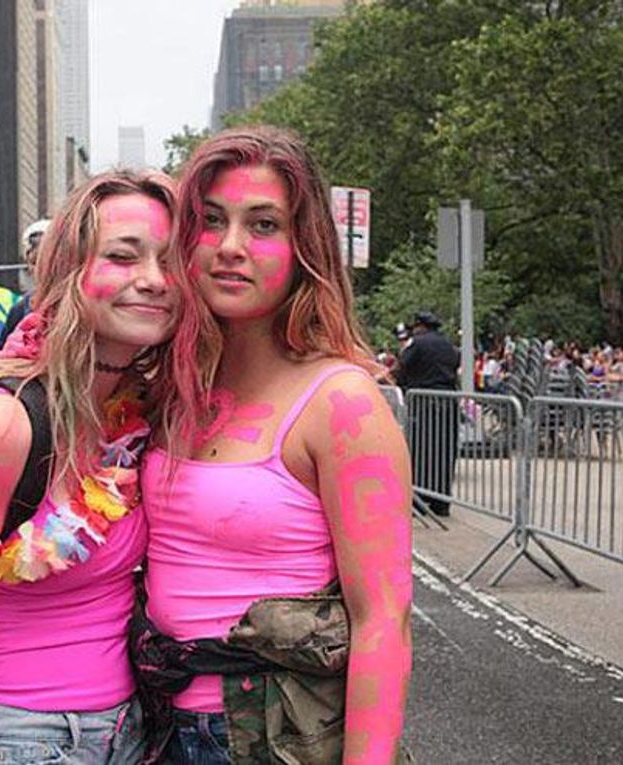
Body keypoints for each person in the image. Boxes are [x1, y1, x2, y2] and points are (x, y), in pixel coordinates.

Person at [0, 170, 201, 765]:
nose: (154, 280)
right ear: (68, 271)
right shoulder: (4, 423)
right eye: (122, 255)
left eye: (171, 261)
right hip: (19, 741)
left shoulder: (133, 411)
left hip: (128, 734)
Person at [135, 127, 413, 764]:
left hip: (274, 740)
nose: (231, 247)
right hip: (150, 728)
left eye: (263, 225)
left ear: (303, 246)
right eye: (210, 220)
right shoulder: (169, 386)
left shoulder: (341, 403)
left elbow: (383, 621)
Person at [396, 311, 459, 517]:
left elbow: (404, 364)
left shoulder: (419, 343)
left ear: (420, 326)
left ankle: (420, 499)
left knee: (422, 450)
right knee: (444, 451)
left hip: (424, 404)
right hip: (448, 402)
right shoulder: (448, 345)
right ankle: (441, 502)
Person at [0, 219, 51, 351]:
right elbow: (1, 357)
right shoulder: (20, 310)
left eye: (49, 261)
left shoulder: (85, 305)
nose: (42, 269)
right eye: (35, 262)